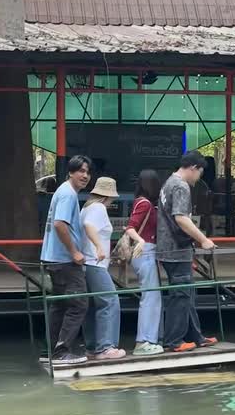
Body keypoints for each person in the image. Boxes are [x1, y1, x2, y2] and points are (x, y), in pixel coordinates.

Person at [156, 150, 219, 352]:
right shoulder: (181, 186)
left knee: (186, 295)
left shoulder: (168, 183)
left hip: (169, 248)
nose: (199, 177)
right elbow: (181, 218)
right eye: (200, 172)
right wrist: (203, 239)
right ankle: (174, 340)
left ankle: (195, 336)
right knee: (181, 296)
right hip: (177, 249)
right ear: (193, 168)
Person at [40, 155, 92, 365]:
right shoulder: (68, 194)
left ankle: (50, 350)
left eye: (87, 172)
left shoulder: (62, 191)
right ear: (70, 172)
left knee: (60, 305)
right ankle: (61, 352)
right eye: (81, 171)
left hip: (54, 258)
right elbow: (60, 224)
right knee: (79, 303)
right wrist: (74, 252)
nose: (85, 175)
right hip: (64, 260)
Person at [80, 177, 125, 360]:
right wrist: (99, 246)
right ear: (107, 196)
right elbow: (89, 226)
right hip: (95, 263)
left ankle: (92, 347)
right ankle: (106, 347)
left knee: (92, 305)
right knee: (110, 301)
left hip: (87, 264)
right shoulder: (98, 208)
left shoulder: (86, 208)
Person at [124, 170, 164, 356]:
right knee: (150, 297)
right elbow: (130, 227)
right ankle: (144, 342)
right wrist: (140, 241)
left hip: (145, 252)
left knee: (151, 296)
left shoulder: (140, 201)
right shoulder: (145, 204)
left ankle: (150, 339)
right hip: (145, 251)